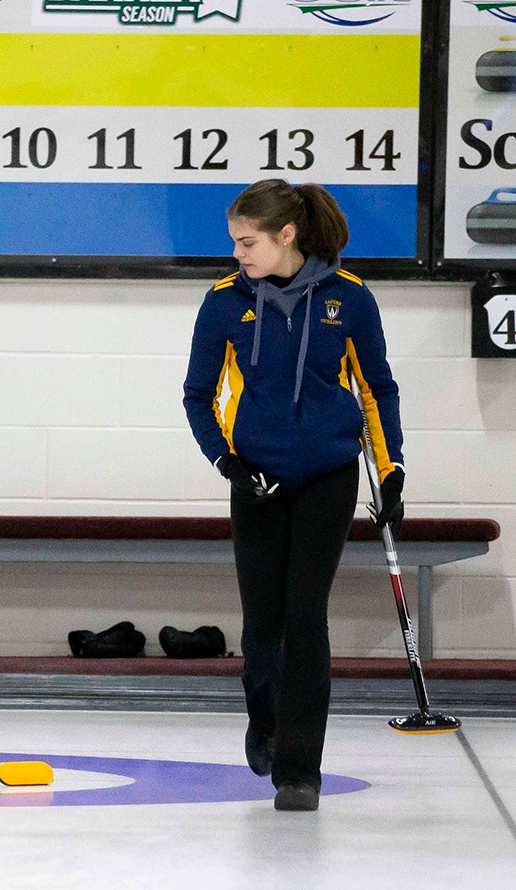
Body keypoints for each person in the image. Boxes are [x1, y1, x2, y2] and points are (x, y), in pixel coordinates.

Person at [182, 179, 405, 813]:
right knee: (262, 626)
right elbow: (201, 396)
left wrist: (390, 472)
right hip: (256, 480)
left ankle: (299, 769)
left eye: (248, 242)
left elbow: (375, 389)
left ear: (287, 236)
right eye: (234, 243)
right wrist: (229, 463)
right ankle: (265, 719)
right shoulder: (224, 303)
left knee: (307, 619)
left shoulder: (350, 299)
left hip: (327, 478)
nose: (238, 254)